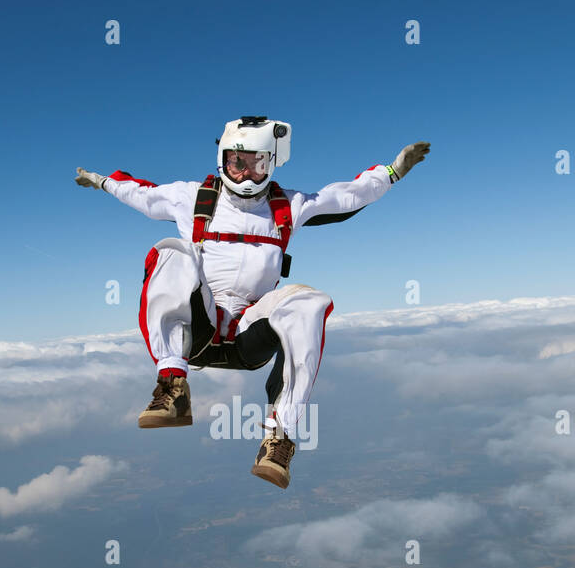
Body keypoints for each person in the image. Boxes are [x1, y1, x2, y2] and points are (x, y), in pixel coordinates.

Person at [75, 117, 429, 488]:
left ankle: (281, 436)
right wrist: (102, 181)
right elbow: (140, 193)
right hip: (198, 331)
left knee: (308, 301)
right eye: (236, 164)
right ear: (221, 161)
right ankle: (172, 386)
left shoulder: (286, 206)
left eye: (257, 164)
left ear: (272, 163)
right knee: (171, 253)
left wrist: (393, 171)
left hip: (250, 336)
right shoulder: (192, 197)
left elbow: (346, 197)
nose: (245, 175)